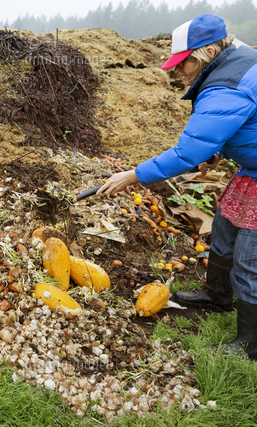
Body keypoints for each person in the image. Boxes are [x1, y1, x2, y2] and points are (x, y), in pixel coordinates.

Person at [97, 14, 257, 360]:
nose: (177, 73)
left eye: (182, 65)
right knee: (226, 231)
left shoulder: (227, 87)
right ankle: (218, 296)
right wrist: (218, 150)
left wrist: (133, 175)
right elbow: (237, 124)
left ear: (205, 53)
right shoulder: (236, 59)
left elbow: (187, 152)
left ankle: (249, 345)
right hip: (252, 170)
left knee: (249, 256)